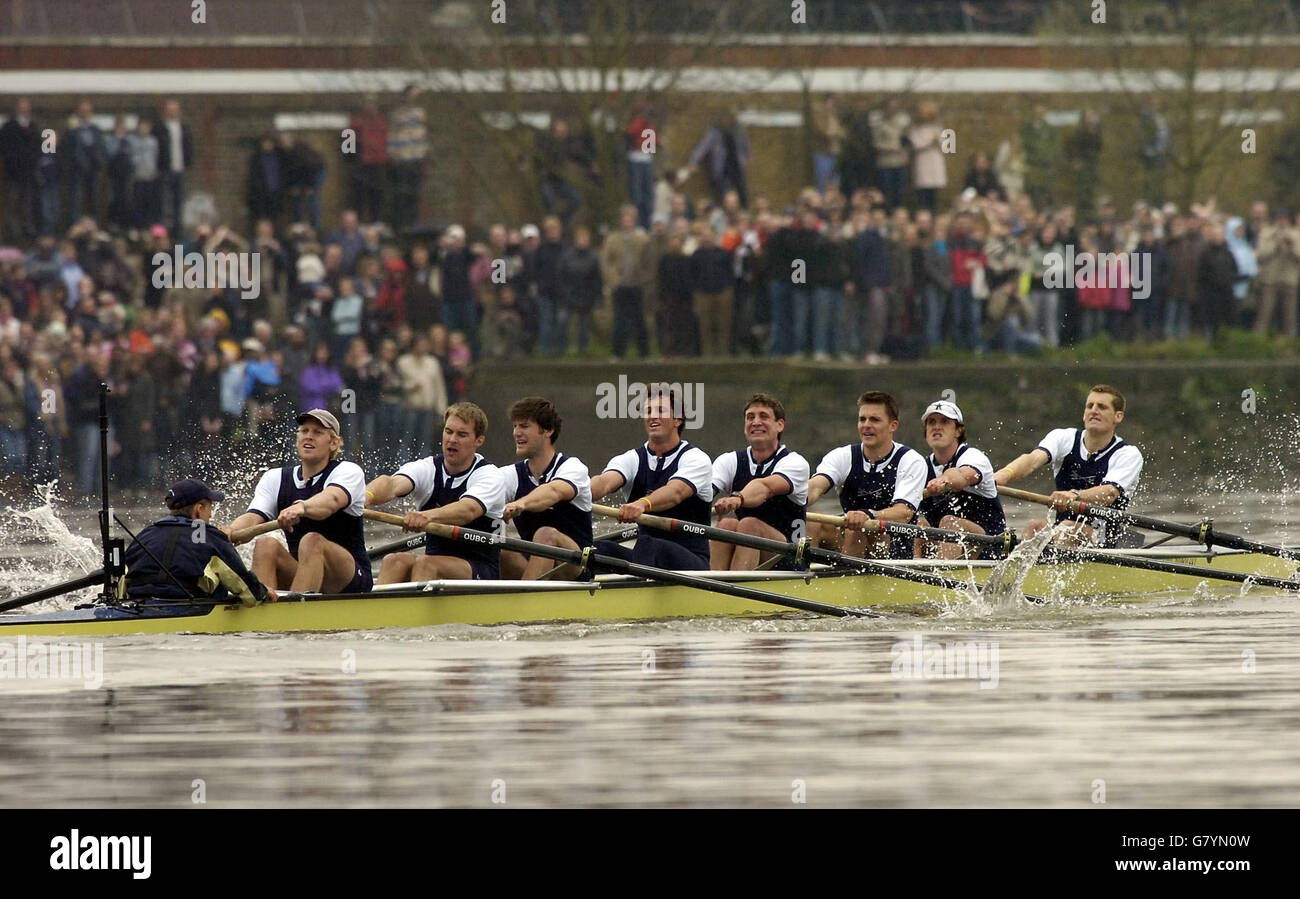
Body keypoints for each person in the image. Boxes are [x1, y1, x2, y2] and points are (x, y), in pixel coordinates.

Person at [225, 409, 372, 595]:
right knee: (265, 544)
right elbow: (253, 517)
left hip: (350, 578)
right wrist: (230, 531)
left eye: (318, 432)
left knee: (312, 541)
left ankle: (293, 615)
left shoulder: (348, 471)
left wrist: (301, 507)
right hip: (305, 570)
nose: (309, 437)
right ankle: (262, 612)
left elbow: (332, 501)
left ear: (334, 443)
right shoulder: (275, 478)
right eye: (304, 431)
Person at [365, 401, 506, 582]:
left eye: (462, 435)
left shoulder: (489, 475)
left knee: (426, 564)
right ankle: (378, 609)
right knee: (394, 560)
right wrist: (366, 497)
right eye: (448, 432)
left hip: (479, 568)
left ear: (479, 440)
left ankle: (413, 609)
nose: (452, 439)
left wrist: (427, 516)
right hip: (433, 562)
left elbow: (468, 510)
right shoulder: (428, 468)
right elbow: (391, 484)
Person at [993, 385, 1143, 547]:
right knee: (1034, 527)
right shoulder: (1064, 438)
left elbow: (1109, 493)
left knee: (1069, 529)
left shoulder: (1127, 454)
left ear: (1118, 416)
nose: (1094, 410)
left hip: (1104, 541)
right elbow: (1032, 460)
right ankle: (1029, 570)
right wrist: (1003, 475)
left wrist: (1075, 495)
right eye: (1090, 406)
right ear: (1084, 414)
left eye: (1102, 407)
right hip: (1063, 531)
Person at [589, 388, 713, 570]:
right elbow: (604, 482)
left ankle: (635, 593)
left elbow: (676, 492)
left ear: (678, 419)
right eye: (648, 411)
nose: (652, 416)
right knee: (594, 550)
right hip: (646, 557)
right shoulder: (632, 459)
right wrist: (575, 494)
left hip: (692, 563)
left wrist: (642, 504)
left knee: (649, 545)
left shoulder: (696, 459)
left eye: (660, 410)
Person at [806, 390, 926, 559]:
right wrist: (797, 497)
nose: (866, 425)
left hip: (892, 550)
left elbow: (903, 513)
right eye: (862, 419)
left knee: (858, 527)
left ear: (893, 426)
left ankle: (846, 582)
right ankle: (803, 573)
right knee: (813, 520)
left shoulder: (911, 460)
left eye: (874, 420)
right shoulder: (843, 456)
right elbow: (815, 487)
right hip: (851, 536)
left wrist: (869, 514)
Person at [120, 479, 269, 606]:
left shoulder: (144, 535)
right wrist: (264, 593)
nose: (211, 514)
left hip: (136, 608)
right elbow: (251, 595)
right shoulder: (210, 536)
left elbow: (119, 582)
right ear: (199, 509)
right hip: (190, 609)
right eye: (210, 507)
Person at [709, 393, 809, 571]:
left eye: (763, 416)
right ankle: (709, 587)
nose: (755, 422)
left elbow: (765, 488)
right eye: (750, 417)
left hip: (791, 559)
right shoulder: (730, 461)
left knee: (749, 524)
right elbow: (703, 491)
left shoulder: (795, 463)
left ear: (780, 425)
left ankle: (735, 591)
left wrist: (737, 499)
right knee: (726, 525)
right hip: (753, 554)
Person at [498, 397, 594, 580]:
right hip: (536, 564)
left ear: (548, 430)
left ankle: (524, 604)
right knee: (500, 550)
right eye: (515, 426)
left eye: (524, 426)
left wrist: (521, 504)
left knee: (546, 534)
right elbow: (479, 501)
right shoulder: (510, 475)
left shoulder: (573, 467)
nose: (516, 433)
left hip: (576, 568)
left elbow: (553, 491)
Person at [912, 400, 1006, 559]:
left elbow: (962, 477)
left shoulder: (973, 457)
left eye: (945, 422)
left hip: (989, 548)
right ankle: (909, 575)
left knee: (950, 522)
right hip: (948, 547)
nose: (936, 427)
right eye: (931, 422)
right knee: (916, 526)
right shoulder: (920, 466)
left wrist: (943, 480)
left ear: (958, 431)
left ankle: (939, 579)